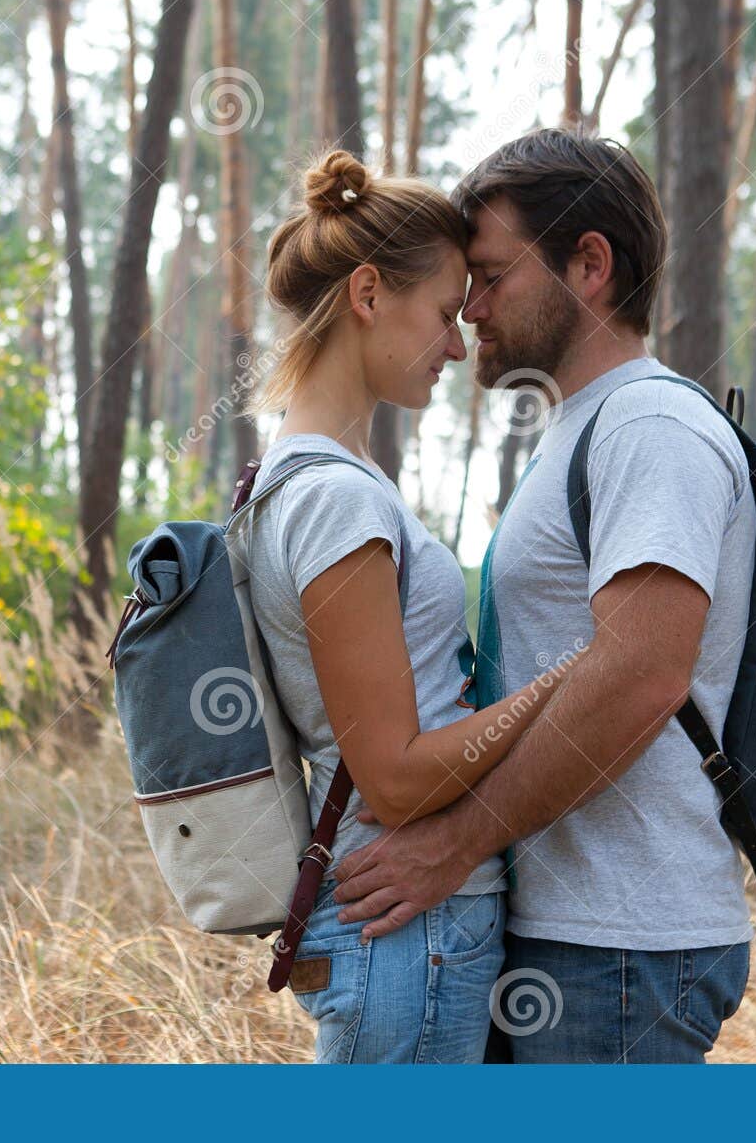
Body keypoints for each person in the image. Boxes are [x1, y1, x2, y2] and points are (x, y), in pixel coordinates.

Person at [332, 129, 756, 1063]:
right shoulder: (581, 429)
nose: (469, 306)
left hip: (619, 945)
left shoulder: (651, 426)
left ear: (589, 264)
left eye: (491, 276)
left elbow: (644, 673)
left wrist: (455, 843)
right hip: (573, 934)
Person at [242, 149, 578, 1063]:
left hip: (406, 931)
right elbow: (390, 775)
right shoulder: (334, 499)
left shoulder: (310, 481)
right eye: (442, 310)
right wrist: (566, 685)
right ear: (366, 295)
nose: (460, 342)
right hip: (408, 934)